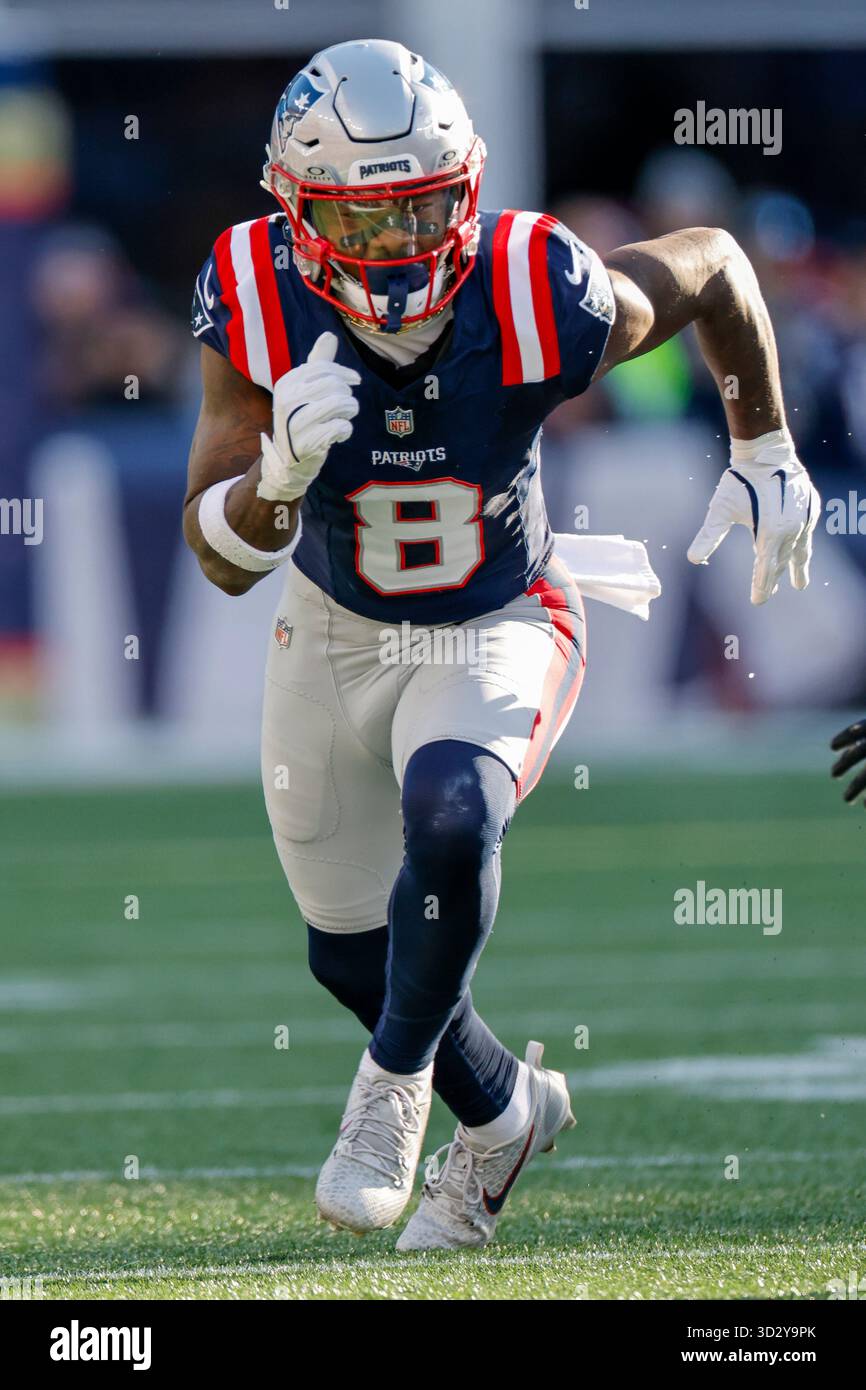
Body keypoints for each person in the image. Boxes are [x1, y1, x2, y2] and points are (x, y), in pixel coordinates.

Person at [182, 39, 819, 1250]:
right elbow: (221, 553)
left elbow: (715, 266)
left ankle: (389, 1098)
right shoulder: (253, 286)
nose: (396, 244)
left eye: (420, 208)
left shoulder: (535, 284)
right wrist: (274, 478)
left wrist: (762, 443)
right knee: (344, 952)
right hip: (328, 627)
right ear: (297, 214)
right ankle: (505, 1112)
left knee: (452, 813)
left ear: (464, 188)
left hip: (500, 612)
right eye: (361, 222)